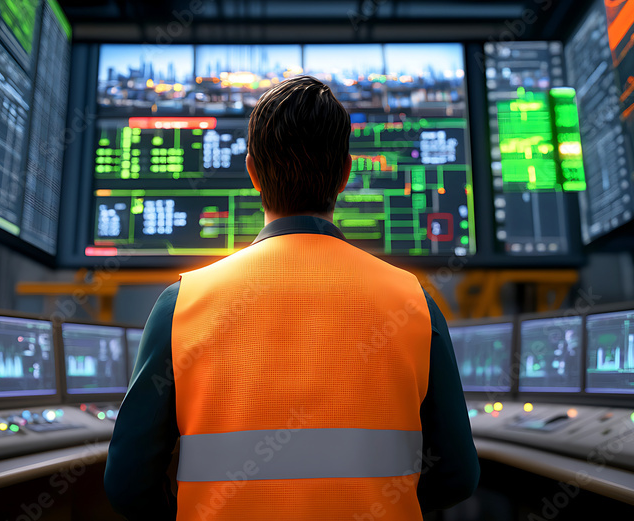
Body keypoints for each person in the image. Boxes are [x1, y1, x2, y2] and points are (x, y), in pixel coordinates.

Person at [104, 75, 479, 520]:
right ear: (345, 174)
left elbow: (127, 484)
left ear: (252, 172)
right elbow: (457, 474)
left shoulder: (180, 304)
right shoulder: (415, 303)